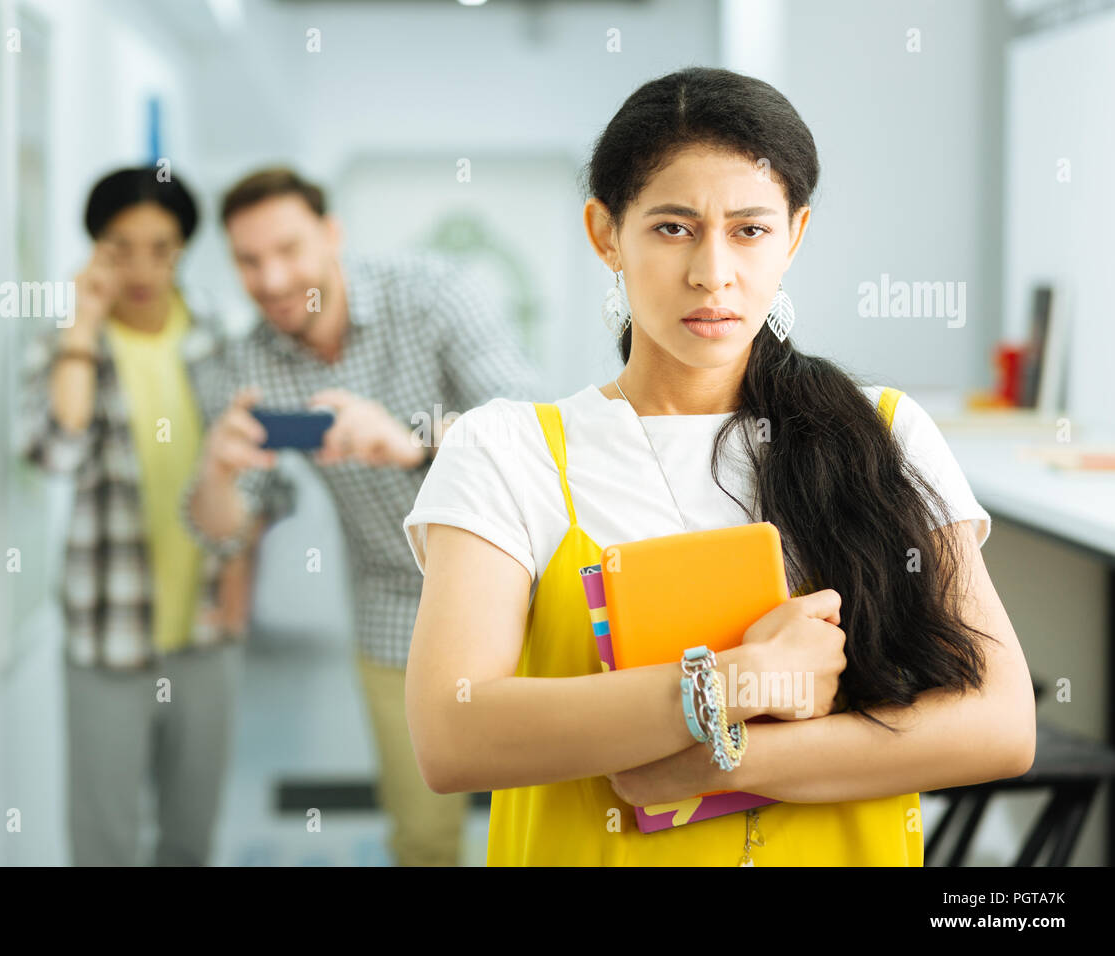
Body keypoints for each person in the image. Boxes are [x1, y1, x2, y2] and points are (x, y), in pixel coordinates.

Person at [399, 66, 1037, 866]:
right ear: (606, 233)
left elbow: (1001, 725)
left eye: (750, 229)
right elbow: (453, 735)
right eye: (672, 227)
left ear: (794, 235)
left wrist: (716, 760)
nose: (713, 273)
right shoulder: (507, 450)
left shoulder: (885, 432)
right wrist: (738, 682)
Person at [183, 167, 543, 866]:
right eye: (249, 261)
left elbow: (526, 428)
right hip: (394, 599)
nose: (274, 278)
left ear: (332, 234)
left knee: (551, 820)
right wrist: (215, 471)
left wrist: (412, 441)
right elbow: (221, 528)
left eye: (289, 249)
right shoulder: (246, 366)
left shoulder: (436, 295)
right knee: (422, 833)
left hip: (524, 583)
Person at [16, 167, 292, 865]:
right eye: (119, 246)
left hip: (207, 631)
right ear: (95, 248)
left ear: (184, 249)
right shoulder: (64, 342)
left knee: (189, 840)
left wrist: (242, 580)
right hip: (107, 634)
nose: (141, 267)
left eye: (161, 246)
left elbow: (273, 481)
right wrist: (82, 325)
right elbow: (54, 452)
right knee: (103, 842)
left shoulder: (227, 335)